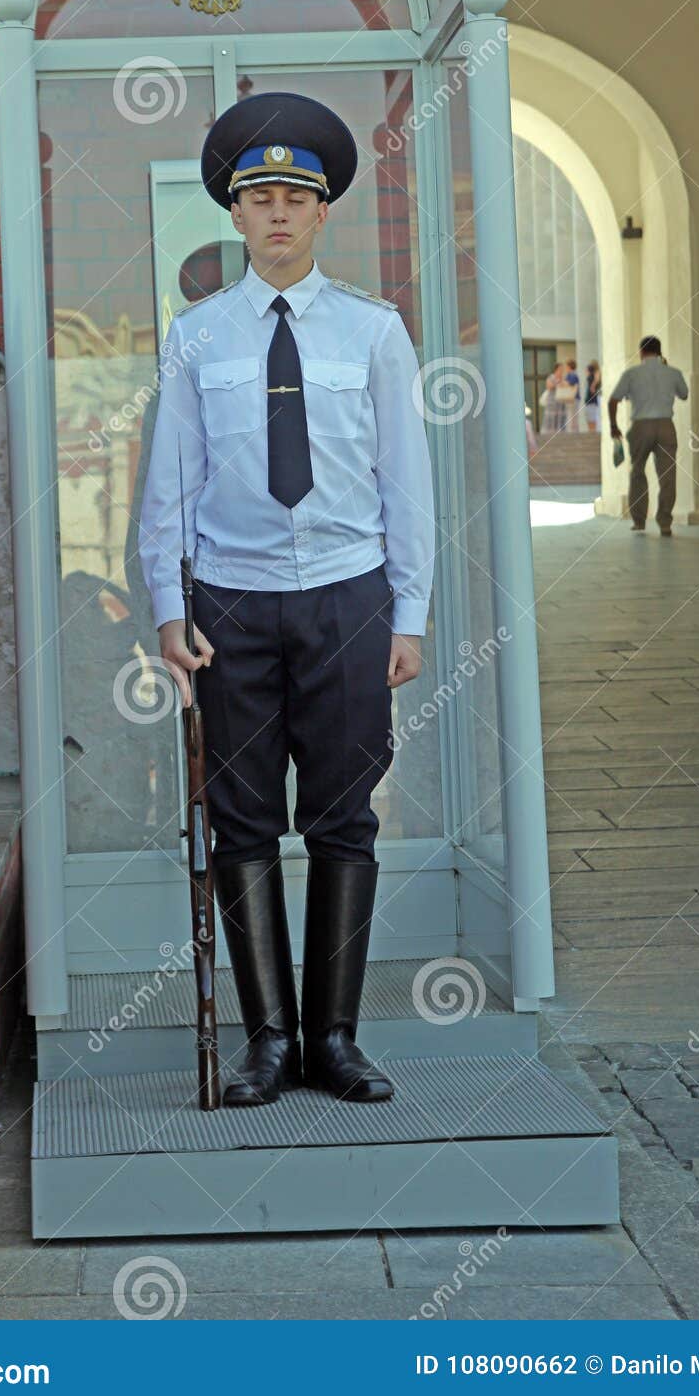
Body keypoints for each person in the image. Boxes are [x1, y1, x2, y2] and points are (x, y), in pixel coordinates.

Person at [137, 91, 436, 1109]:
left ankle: (335, 1040)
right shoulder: (197, 337)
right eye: (257, 198)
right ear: (233, 211)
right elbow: (170, 481)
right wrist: (168, 608)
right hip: (232, 605)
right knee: (242, 820)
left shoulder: (372, 331)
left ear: (321, 213)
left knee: (345, 818)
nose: (276, 214)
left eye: (294, 200)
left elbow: (406, 482)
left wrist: (407, 614)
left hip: (347, 599)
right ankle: (268, 1042)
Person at [607, 335, 689, 535]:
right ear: (660, 351)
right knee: (667, 475)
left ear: (641, 352)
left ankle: (639, 520)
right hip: (666, 426)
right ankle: (665, 523)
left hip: (641, 426)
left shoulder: (632, 374)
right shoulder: (673, 372)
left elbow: (613, 400)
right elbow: (684, 394)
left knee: (637, 472)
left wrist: (613, 426)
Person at [584, 360, 601, 432]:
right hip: (589, 401)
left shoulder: (592, 377)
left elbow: (593, 388)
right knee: (590, 418)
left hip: (591, 401)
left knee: (592, 418)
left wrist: (593, 386)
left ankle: (592, 432)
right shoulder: (591, 377)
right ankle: (591, 432)